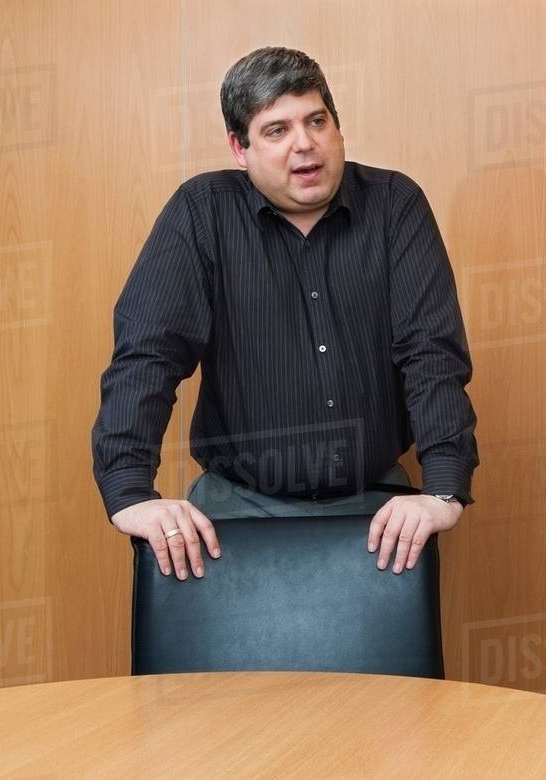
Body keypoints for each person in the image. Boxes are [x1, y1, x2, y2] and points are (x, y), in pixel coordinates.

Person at [91, 46, 478, 584]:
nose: (304, 144)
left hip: (378, 514)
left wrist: (442, 488)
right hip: (235, 514)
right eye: (276, 130)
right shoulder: (201, 212)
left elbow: (431, 356)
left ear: (336, 127)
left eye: (316, 121)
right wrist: (129, 490)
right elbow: (147, 356)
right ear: (240, 148)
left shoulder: (395, 204)